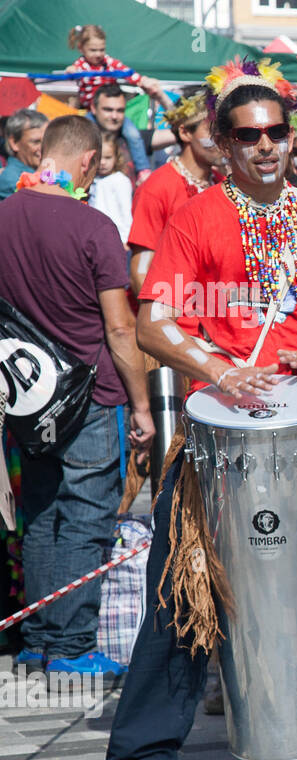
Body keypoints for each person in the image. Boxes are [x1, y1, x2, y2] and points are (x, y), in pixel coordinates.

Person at [101, 57, 297, 760]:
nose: (264, 146)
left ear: (290, 139)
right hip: (217, 438)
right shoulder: (194, 219)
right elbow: (153, 323)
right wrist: (219, 370)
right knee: (180, 593)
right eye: (246, 135)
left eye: (274, 133)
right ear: (223, 146)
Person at [0, 113, 153, 682]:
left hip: (26, 394)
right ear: (88, 162)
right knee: (87, 514)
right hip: (90, 393)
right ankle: (70, 647)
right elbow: (119, 329)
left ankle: (37, 642)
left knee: (40, 510)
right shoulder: (94, 227)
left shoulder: (4, 215)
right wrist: (141, 405)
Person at [126, 92, 222, 296]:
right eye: (211, 129)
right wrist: (161, 323)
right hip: (175, 316)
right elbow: (140, 274)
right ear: (185, 133)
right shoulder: (157, 188)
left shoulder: (222, 184)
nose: (220, 138)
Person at [66, 25, 162, 179]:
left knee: (133, 134)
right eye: (93, 50)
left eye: (101, 49)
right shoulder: (81, 65)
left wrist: (142, 80)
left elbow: (127, 72)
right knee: (81, 135)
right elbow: (72, 70)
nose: (98, 54)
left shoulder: (108, 62)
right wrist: (72, 71)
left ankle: (143, 169)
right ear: (81, 48)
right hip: (90, 110)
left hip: (108, 100)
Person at [87, 132, 133, 244]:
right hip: (95, 236)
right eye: (99, 158)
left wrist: (125, 239)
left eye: (108, 158)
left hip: (116, 238)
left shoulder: (120, 180)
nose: (102, 162)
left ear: (116, 157)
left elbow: (126, 212)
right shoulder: (91, 179)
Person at [0, 110, 47, 200]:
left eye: (47, 140)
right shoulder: (13, 180)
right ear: (14, 143)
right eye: (36, 142)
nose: (43, 147)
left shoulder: (43, 171)